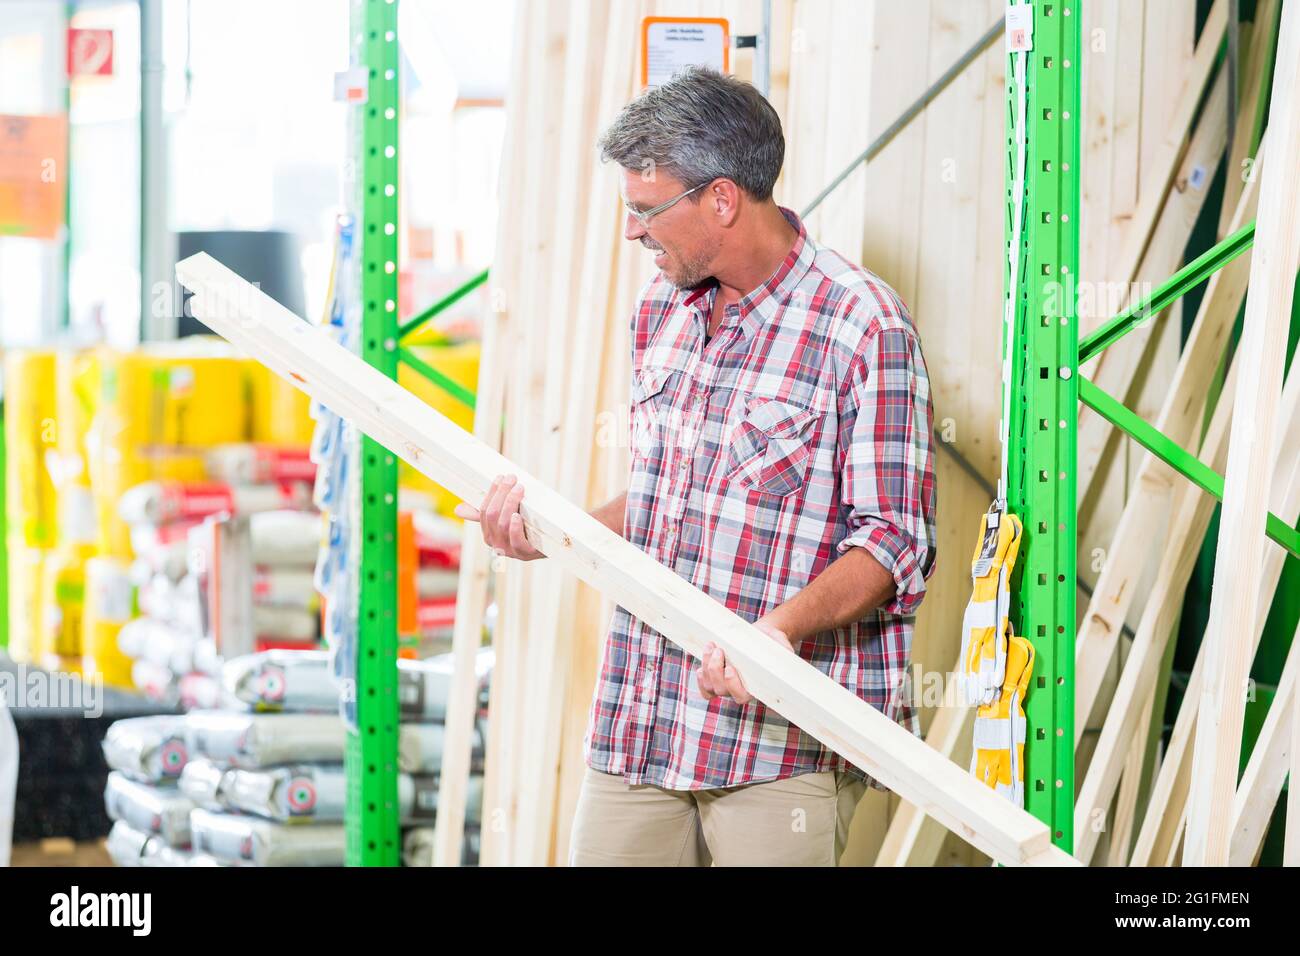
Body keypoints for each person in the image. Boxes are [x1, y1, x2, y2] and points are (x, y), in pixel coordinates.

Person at [455, 66, 938, 866]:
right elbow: (665, 500)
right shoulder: (662, 312)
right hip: (644, 718)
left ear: (720, 199)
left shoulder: (862, 327)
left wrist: (775, 635)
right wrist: (550, 530)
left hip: (777, 746)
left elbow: (893, 542)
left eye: (647, 210)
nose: (634, 233)